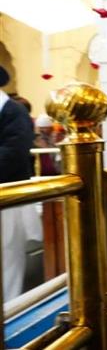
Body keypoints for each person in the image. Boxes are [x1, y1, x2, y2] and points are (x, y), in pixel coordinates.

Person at [1, 65, 35, 300]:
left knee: (7, 257)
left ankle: (10, 310)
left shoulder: (13, 112)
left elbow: (14, 153)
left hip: (8, 195)